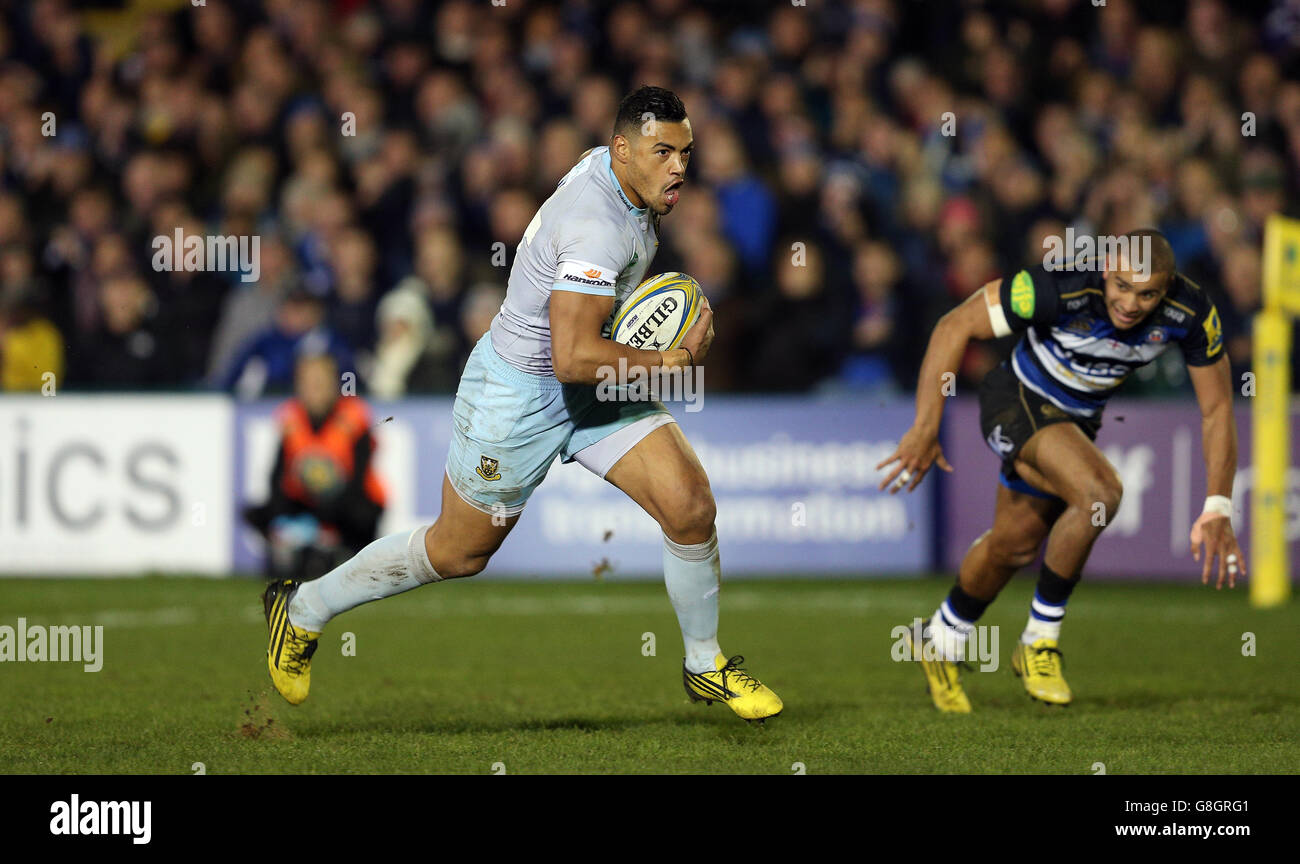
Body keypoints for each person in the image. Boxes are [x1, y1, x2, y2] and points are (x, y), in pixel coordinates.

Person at [261, 86, 782, 722]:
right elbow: (570, 357)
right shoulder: (598, 229)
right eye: (663, 151)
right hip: (520, 395)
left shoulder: (621, 180)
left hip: (591, 382)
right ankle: (304, 608)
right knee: (459, 553)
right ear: (622, 150)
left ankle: (705, 664)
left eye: (686, 151)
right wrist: (667, 361)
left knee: (690, 506)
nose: (679, 166)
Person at [879, 229, 1245, 712]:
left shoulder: (1192, 313)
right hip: (1015, 399)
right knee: (1099, 495)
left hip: (1073, 426)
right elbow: (954, 325)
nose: (1131, 304)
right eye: (1121, 285)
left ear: (1168, 286)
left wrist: (1217, 504)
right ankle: (1039, 642)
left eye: (1147, 293)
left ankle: (941, 638)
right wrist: (925, 426)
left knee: (1013, 547)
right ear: (1106, 269)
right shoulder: (1060, 283)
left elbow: (1217, 409)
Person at [244, 352, 386, 583]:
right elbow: (278, 475)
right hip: (306, 503)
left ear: (333, 385)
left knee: (361, 515)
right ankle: (294, 549)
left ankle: (336, 549)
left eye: (320, 383)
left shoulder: (355, 417)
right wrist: (282, 519)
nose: (314, 391)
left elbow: (359, 478)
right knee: (256, 512)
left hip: (347, 504)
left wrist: (327, 518)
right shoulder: (291, 419)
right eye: (307, 384)